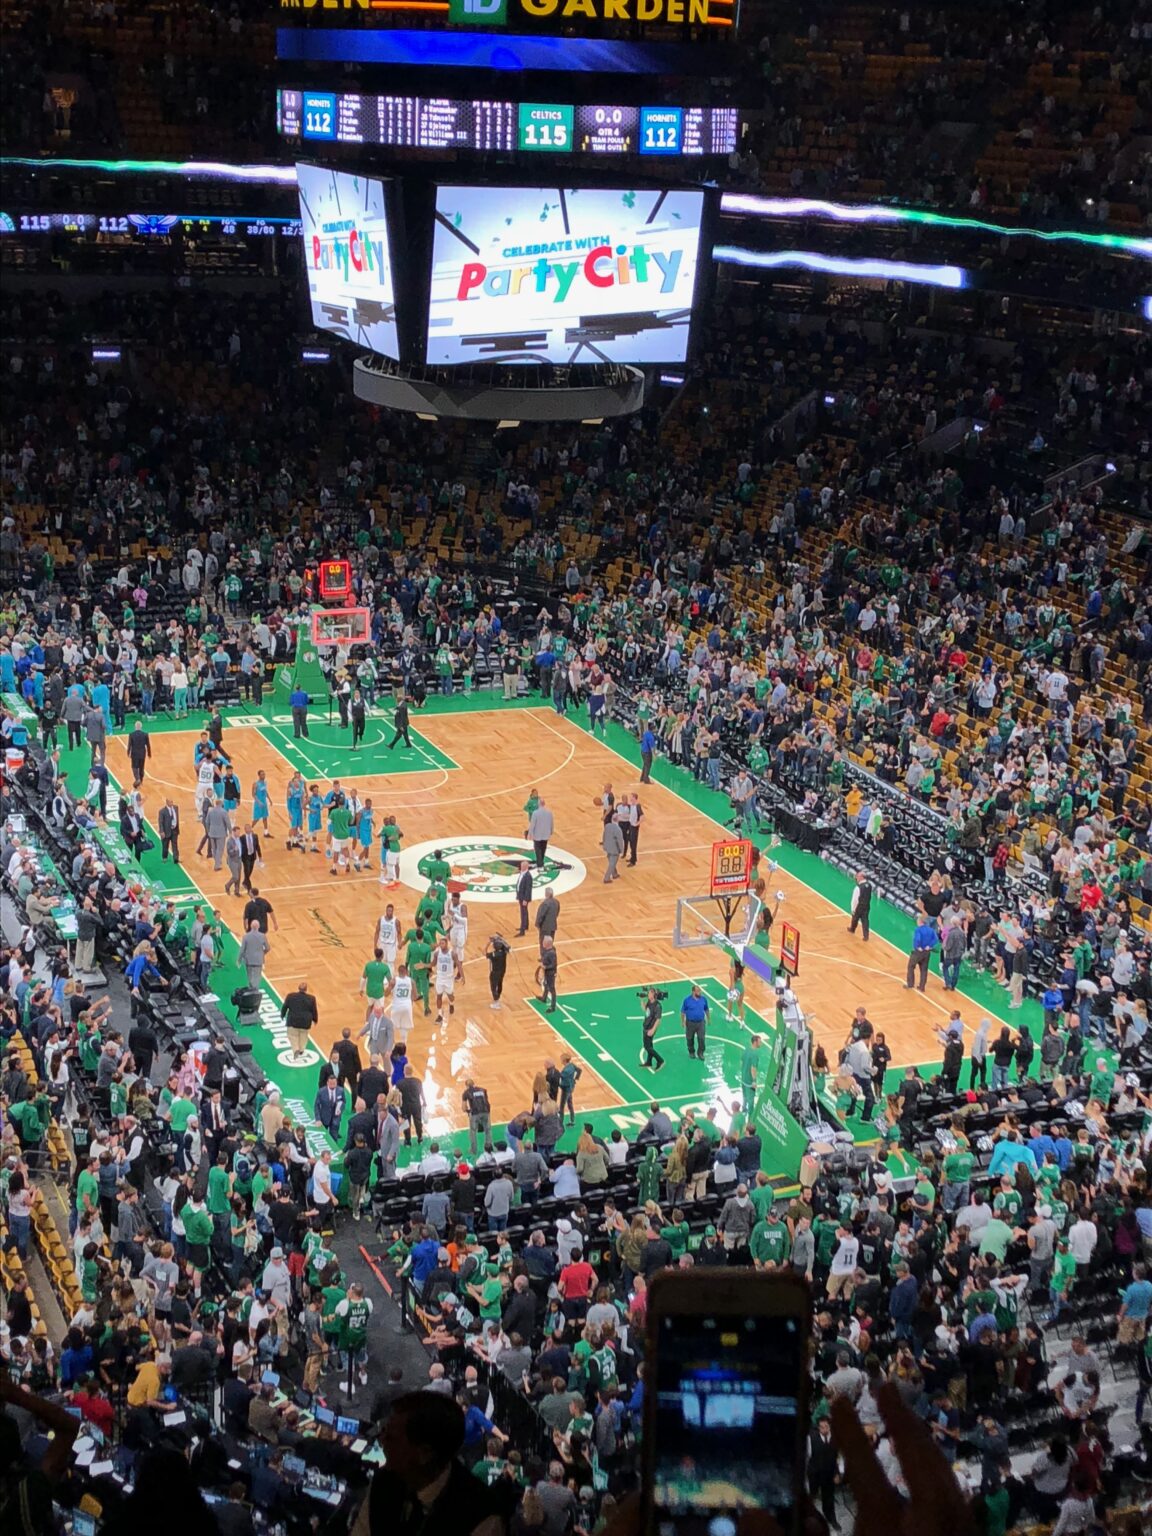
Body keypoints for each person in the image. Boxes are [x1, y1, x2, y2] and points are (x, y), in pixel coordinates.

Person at [281, 981, 318, 1060]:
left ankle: (295, 1049)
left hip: (293, 1021)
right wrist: (315, 1019)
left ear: (298, 988)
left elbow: (285, 1007)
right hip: (305, 1022)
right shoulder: (311, 998)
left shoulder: (290, 996)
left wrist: (282, 1015)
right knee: (303, 1036)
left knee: (292, 1036)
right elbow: (314, 1010)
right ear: (306, 989)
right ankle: (301, 1050)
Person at [905, 916, 939, 992]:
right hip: (927, 952)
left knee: (911, 966)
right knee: (924, 969)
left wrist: (918, 946)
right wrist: (930, 946)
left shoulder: (918, 930)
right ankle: (922, 987)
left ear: (920, 922)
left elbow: (917, 939)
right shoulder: (931, 930)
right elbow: (936, 939)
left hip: (918, 952)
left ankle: (910, 984)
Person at [680, 983, 710, 1060]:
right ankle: (691, 1052)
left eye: (700, 991)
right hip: (690, 1023)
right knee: (690, 1038)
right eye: (698, 991)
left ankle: (700, 1053)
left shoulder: (703, 999)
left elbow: (706, 1009)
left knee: (701, 1038)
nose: (700, 992)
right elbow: (683, 1012)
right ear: (693, 992)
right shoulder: (687, 1000)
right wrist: (682, 1021)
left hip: (701, 1023)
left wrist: (708, 1019)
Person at [641, 987, 665, 1071]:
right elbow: (645, 1010)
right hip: (646, 1026)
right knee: (649, 1045)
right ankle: (649, 1061)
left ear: (653, 995)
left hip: (650, 1028)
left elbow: (658, 1019)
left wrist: (653, 1030)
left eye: (649, 993)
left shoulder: (657, 1006)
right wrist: (642, 1000)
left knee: (647, 1047)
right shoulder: (649, 1002)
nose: (648, 994)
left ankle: (660, 1060)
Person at [528, 798, 554, 868]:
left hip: (537, 834)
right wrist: (551, 831)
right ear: (544, 804)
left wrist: (530, 833)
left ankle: (540, 864)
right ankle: (541, 861)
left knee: (537, 848)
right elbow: (551, 823)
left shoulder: (535, 813)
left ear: (538, 804)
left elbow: (532, 824)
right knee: (543, 848)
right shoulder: (549, 812)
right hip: (546, 834)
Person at [126, 719, 151, 788]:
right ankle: (141, 780)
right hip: (142, 753)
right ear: (141, 727)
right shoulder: (145, 734)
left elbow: (129, 745)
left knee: (134, 767)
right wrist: (149, 753)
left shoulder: (131, 735)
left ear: (135, 727)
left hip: (134, 753)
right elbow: (148, 745)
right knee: (141, 767)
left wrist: (128, 752)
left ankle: (137, 779)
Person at [848, 870, 872, 941]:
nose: (856, 878)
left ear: (861, 877)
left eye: (858, 876)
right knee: (865, 921)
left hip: (859, 906)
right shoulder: (869, 885)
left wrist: (853, 908)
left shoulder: (858, 887)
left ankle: (852, 929)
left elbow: (855, 899)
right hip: (866, 906)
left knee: (855, 918)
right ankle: (866, 936)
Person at [538, 936, 558, 1013]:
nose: (542, 942)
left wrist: (545, 967)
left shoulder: (551, 953)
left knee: (552, 989)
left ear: (547, 943)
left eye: (544, 941)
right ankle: (544, 998)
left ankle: (553, 1007)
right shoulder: (547, 951)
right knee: (545, 984)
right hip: (547, 972)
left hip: (550, 973)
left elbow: (553, 964)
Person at [514, 861, 533, 937]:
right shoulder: (522, 873)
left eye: (522, 866)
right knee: (525, 911)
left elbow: (528, 889)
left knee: (523, 913)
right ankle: (525, 926)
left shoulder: (528, 876)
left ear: (526, 867)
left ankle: (522, 931)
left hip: (524, 897)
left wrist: (526, 899)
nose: (521, 867)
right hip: (521, 896)